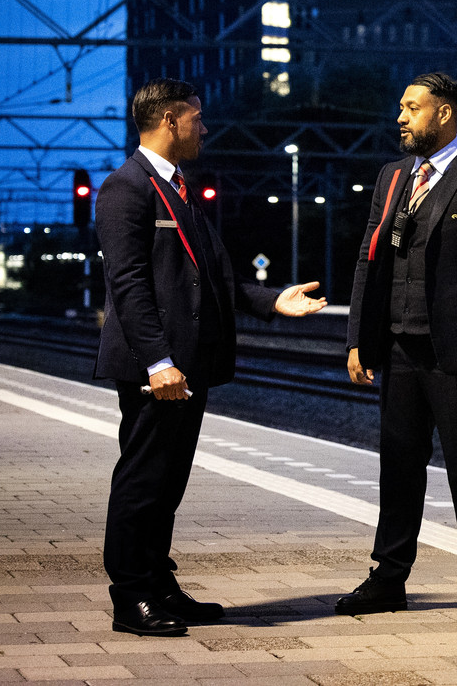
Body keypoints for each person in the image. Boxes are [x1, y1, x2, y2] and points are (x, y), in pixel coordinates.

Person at [94, 77, 327, 637]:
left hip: (189, 366)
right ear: (171, 120)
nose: (205, 128)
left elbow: (215, 275)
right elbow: (127, 282)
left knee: (168, 481)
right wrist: (157, 362)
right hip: (160, 368)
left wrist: (274, 300)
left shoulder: (179, 189)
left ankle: (158, 583)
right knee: (142, 480)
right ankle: (130, 598)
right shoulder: (127, 188)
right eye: (197, 118)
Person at [337, 71, 457, 623]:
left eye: (412, 108)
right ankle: (389, 578)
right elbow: (369, 260)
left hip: (455, 354)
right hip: (395, 348)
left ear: (443, 113)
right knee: (397, 467)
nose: (401, 117)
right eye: (400, 107)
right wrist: (357, 340)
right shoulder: (392, 177)